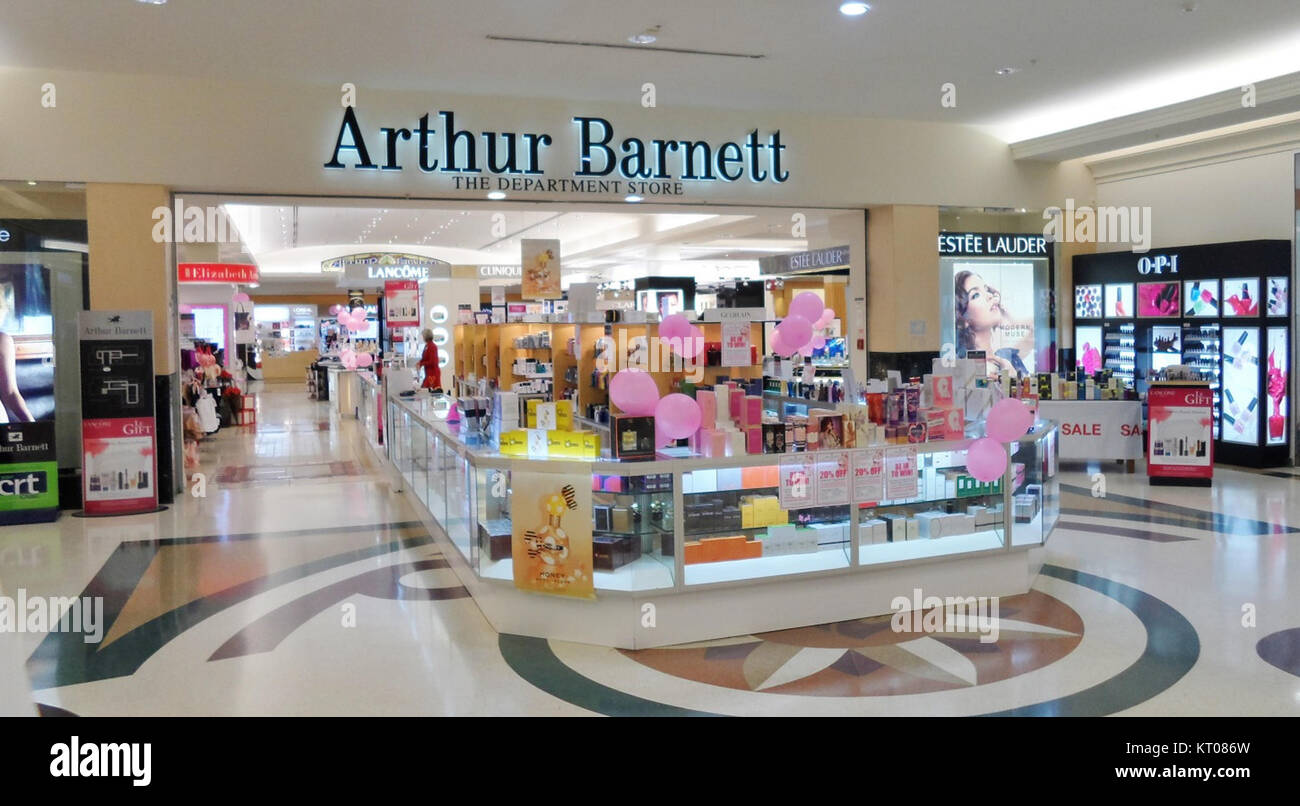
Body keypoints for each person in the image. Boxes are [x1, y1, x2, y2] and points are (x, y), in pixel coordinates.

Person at [954, 270, 1029, 378]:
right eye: (975, 295)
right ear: (963, 319)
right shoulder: (960, 366)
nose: (989, 295)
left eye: (986, 289)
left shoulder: (1009, 357)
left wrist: (1013, 322)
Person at [417, 328, 443, 393]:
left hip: (433, 373)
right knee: (425, 390)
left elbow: (432, 362)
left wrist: (422, 364)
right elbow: (424, 358)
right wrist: (420, 362)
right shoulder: (427, 346)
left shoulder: (432, 346)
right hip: (428, 373)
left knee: (430, 391)